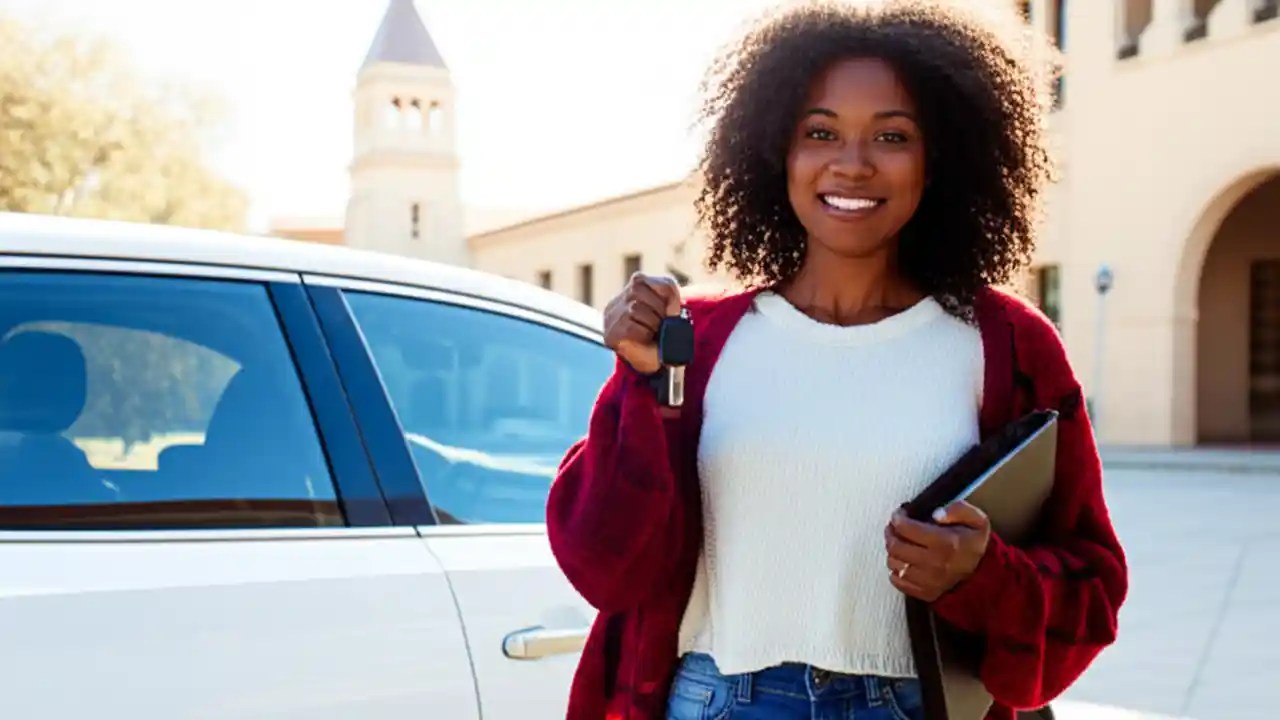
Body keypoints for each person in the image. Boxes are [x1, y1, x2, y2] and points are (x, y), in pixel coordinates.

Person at [547, 1, 1128, 719]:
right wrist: (642, 383)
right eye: (819, 132)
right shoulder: (697, 337)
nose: (852, 164)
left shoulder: (1006, 343)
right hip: (719, 700)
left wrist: (984, 574)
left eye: (892, 135)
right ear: (777, 152)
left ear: (939, 159)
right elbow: (605, 567)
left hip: (914, 706)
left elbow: (1092, 586)